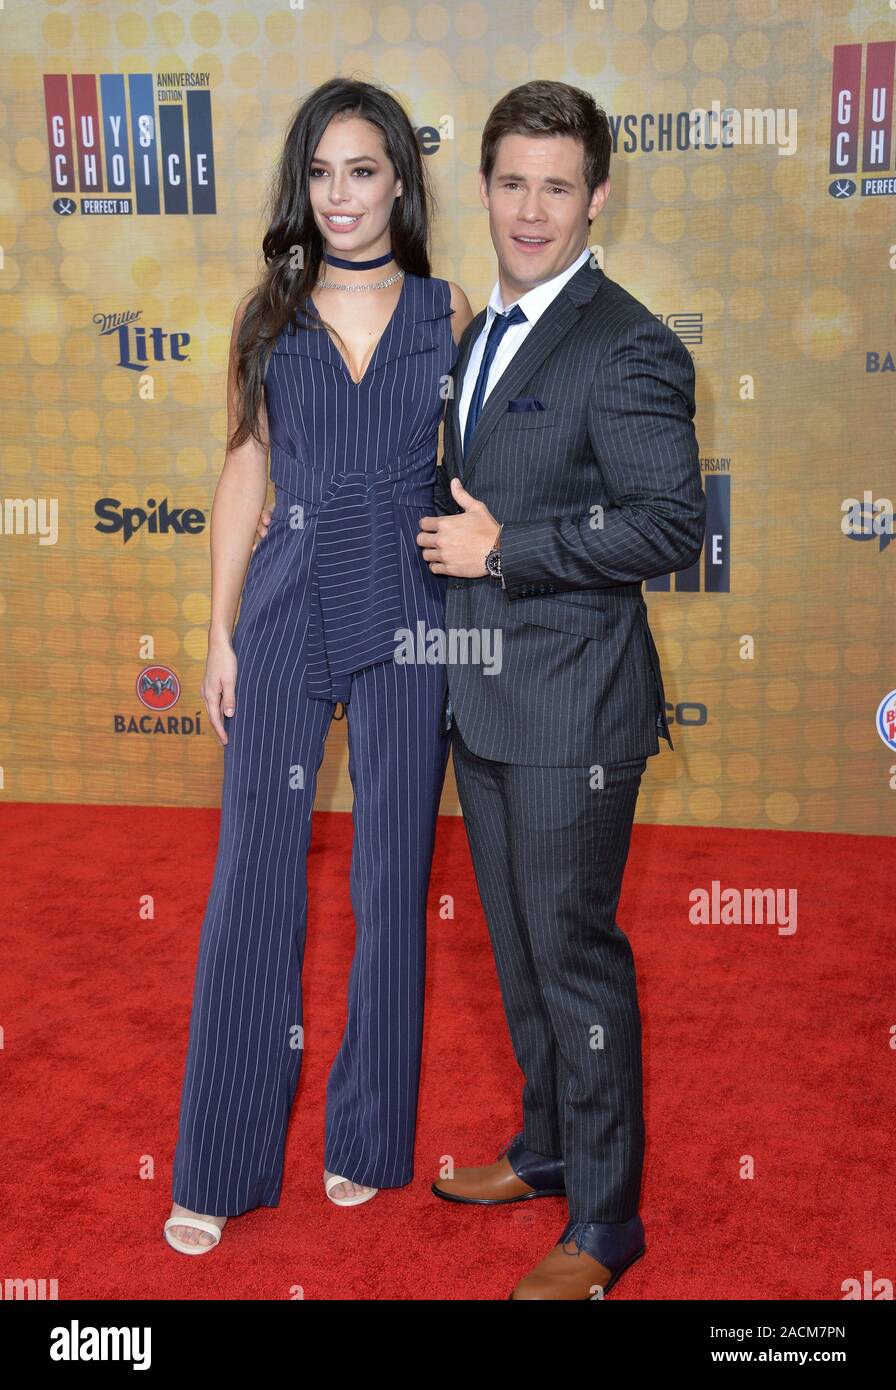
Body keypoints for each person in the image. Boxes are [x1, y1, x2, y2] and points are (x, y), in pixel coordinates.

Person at [164, 77, 472, 1254]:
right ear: (300, 186)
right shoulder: (267, 314)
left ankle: (365, 1138)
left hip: (408, 596)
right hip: (290, 591)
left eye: (362, 170)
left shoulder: (450, 314)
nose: (339, 195)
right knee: (253, 878)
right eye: (319, 173)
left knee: (392, 873)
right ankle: (219, 1163)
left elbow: (478, 463)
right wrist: (218, 632)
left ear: (400, 179)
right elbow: (244, 472)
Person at [416, 79, 705, 1299]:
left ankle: (604, 1219)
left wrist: (509, 554)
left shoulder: (626, 340)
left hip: (572, 709)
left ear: (596, 199)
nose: (530, 209)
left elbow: (669, 522)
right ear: (483, 189)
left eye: (556, 186)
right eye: (511, 182)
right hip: (481, 694)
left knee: (573, 954)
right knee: (521, 953)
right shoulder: (479, 329)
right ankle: (543, 1149)